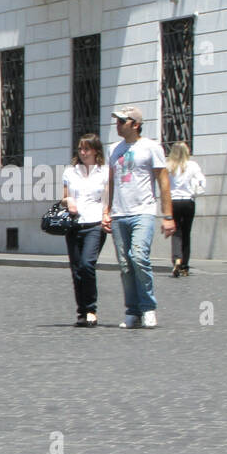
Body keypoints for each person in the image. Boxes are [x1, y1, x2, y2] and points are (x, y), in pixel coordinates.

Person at [101, 107, 174, 328]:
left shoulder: (151, 147)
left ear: (135, 124)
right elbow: (111, 182)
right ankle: (132, 310)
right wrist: (106, 210)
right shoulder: (114, 149)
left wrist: (168, 215)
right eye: (117, 121)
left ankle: (148, 307)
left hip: (143, 211)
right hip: (120, 212)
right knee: (125, 264)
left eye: (122, 121)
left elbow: (163, 182)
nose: (118, 125)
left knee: (139, 257)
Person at [62, 134, 108, 326]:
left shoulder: (105, 172)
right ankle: (82, 311)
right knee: (76, 270)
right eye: (80, 149)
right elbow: (64, 197)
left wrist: (107, 214)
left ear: (96, 150)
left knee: (87, 264)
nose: (82, 152)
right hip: (74, 225)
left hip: (95, 224)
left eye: (87, 149)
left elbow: (107, 198)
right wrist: (69, 201)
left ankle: (91, 309)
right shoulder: (70, 172)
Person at [166, 141, 205, 277]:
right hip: (188, 201)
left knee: (176, 232)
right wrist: (195, 191)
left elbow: (164, 185)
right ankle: (184, 266)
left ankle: (177, 258)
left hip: (173, 201)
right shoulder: (192, 165)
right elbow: (202, 181)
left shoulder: (169, 166)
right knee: (186, 233)